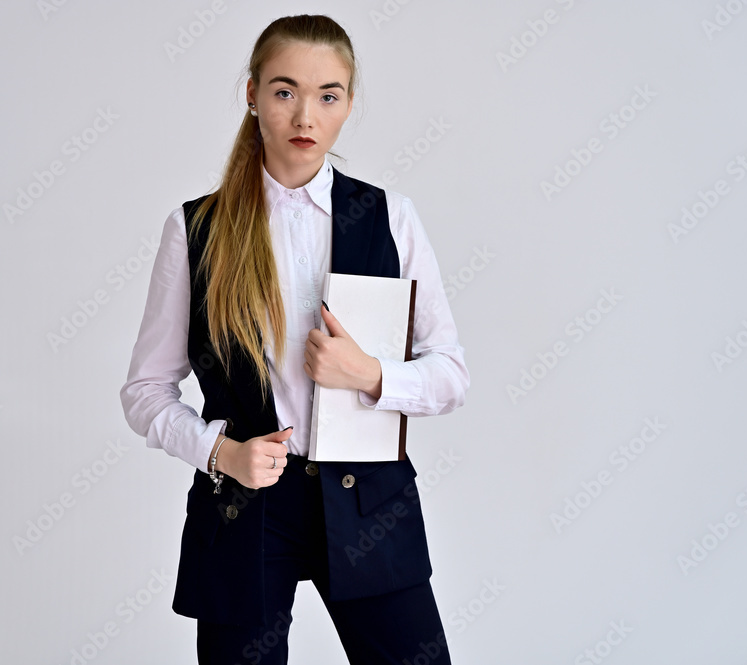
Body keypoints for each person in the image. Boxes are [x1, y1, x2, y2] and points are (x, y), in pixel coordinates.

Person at [120, 14, 469, 665]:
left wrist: (371, 374)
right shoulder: (196, 228)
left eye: (328, 94)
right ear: (251, 94)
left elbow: (451, 373)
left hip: (370, 503)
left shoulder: (390, 216)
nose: (305, 113)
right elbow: (144, 389)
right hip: (246, 511)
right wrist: (219, 451)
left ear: (349, 104)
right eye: (284, 91)